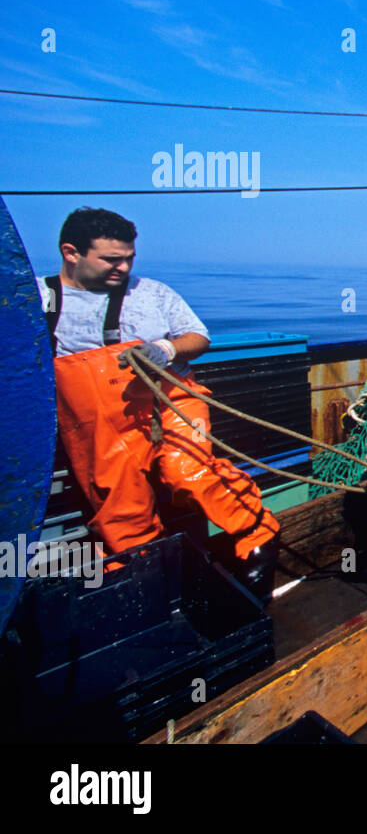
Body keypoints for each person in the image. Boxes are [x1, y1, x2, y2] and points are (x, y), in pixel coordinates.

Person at [40, 207, 279, 598]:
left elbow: (198, 338)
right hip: (92, 420)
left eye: (129, 258)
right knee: (118, 504)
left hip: (169, 399)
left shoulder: (151, 293)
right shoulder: (35, 298)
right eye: (111, 259)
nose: (122, 267)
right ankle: (147, 577)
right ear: (71, 252)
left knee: (189, 470)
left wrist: (166, 348)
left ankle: (257, 534)